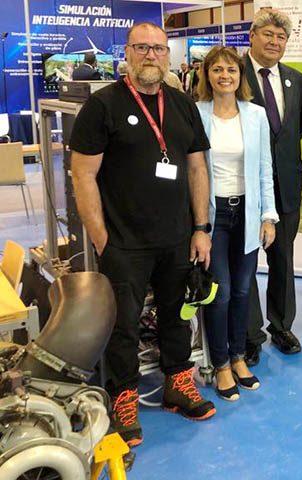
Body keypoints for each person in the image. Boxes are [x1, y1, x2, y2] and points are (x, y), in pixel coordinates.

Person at [69, 22, 215, 448]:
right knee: (123, 325)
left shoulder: (182, 104)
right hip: (124, 242)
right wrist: (102, 240)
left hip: (177, 237)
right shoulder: (103, 106)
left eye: (158, 49)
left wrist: (201, 228)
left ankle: (177, 384)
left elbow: (197, 169)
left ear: (167, 55)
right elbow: (83, 175)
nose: (151, 55)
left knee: (177, 316)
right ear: (127, 53)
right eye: (142, 48)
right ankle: (124, 398)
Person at [195, 45, 278, 401]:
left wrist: (268, 216)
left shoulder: (256, 115)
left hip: (247, 212)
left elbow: (264, 168)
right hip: (213, 217)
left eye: (231, 69)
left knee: (244, 290)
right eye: (217, 69)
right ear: (207, 75)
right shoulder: (196, 113)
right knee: (221, 292)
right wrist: (197, 225)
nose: (224, 75)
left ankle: (239, 357)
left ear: (240, 75)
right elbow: (192, 171)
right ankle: (221, 364)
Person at [242, 9, 302, 362]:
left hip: (286, 186)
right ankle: (250, 335)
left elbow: (293, 131)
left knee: (283, 260)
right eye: (268, 34)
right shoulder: (231, 75)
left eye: (281, 37)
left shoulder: (297, 81)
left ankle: (281, 327)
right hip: (243, 188)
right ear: (252, 36)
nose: (274, 42)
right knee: (245, 264)